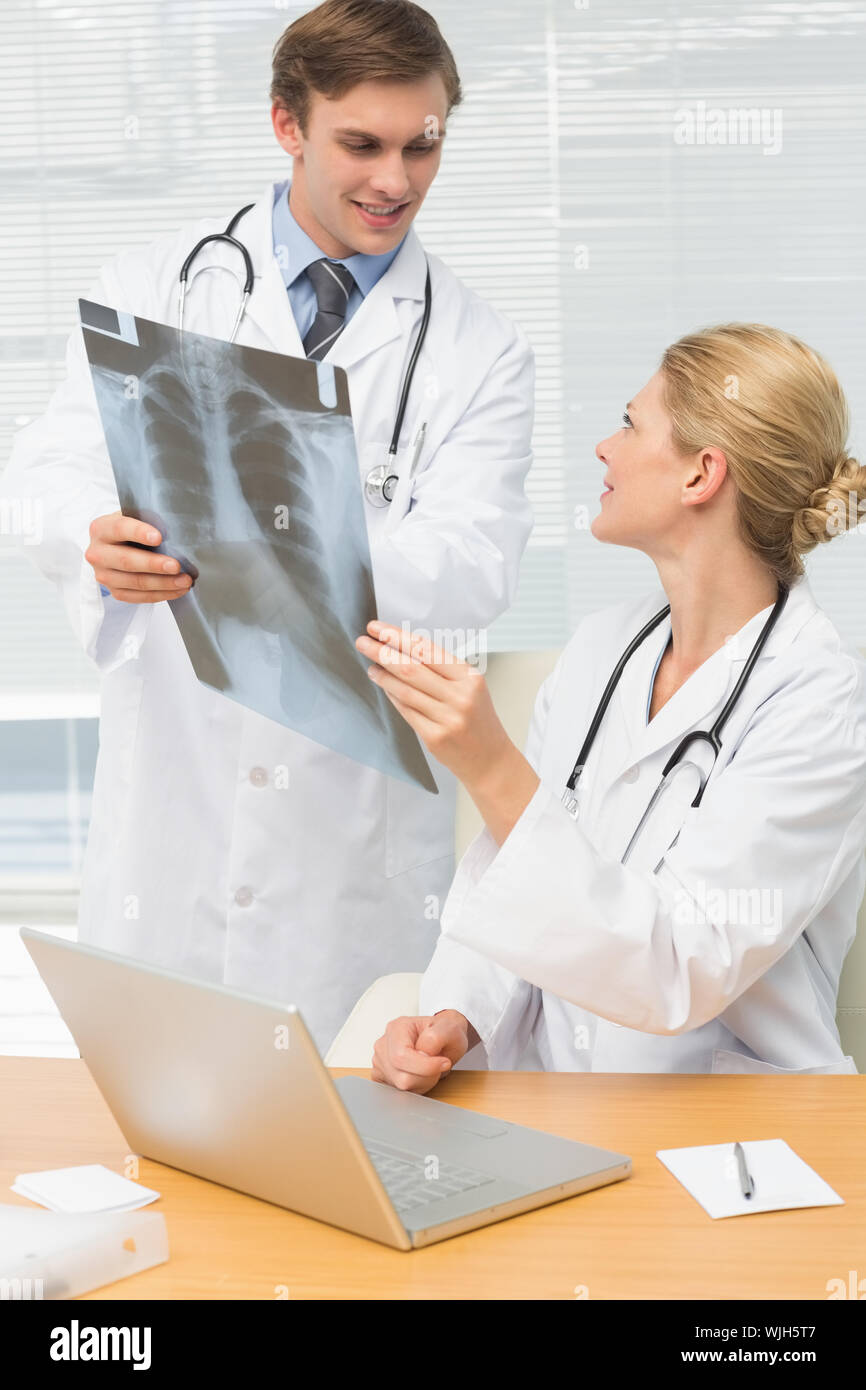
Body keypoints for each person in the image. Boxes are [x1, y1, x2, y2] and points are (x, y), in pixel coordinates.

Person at [1, 0, 534, 1052]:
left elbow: (475, 564)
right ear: (287, 125)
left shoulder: (480, 349)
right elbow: (46, 470)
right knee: (169, 1152)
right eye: (362, 145)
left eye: (422, 144)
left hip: (346, 851)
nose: (396, 179)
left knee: (346, 1155)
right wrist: (96, 534)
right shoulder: (154, 287)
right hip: (173, 810)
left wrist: (278, 530)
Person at [358, 323, 866, 1085]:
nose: (605, 446)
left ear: (702, 474)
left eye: (631, 424)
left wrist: (488, 765)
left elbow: (678, 967)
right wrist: (457, 1018)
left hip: (738, 1136)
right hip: (563, 1106)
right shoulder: (604, 646)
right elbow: (518, 868)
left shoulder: (819, 701)